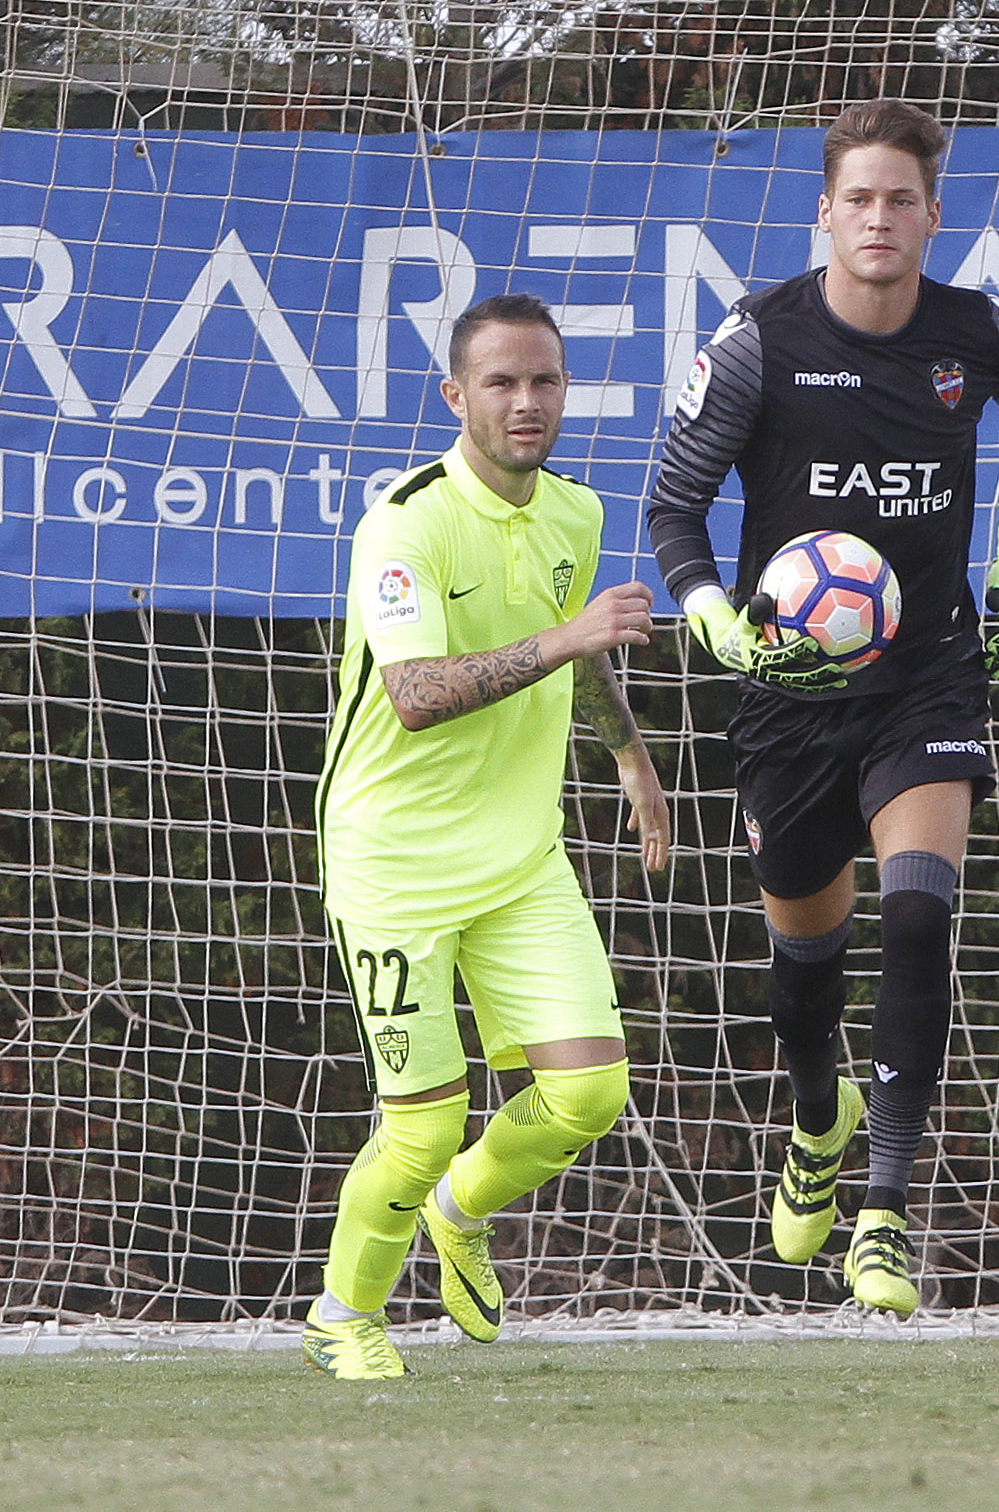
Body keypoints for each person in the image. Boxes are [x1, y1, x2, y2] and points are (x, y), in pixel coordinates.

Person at [646, 97, 999, 1318]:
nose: (880, 218)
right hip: (789, 693)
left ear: (936, 215)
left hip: (926, 671)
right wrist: (713, 611)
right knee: (805, 966)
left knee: (923, 919)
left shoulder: (979, 333)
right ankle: (817, 1116)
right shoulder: (757, 341)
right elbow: (673, 502)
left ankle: (882, 1205)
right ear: (824, 214)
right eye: (858, 199)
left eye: (902, 199)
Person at [305, 294, 671, 1380]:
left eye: (545, 381)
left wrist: (629, 755)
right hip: (395, 863)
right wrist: (569, 634)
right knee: (420, 1124)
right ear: (456, 395)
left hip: (519, 857)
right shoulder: (404, 524)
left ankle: (462, 1209)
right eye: (501, 383)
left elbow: (581, 650)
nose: (526, 402)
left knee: (590, 1092)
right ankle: (340, 1313)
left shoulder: (574, 514)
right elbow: (415, 693)